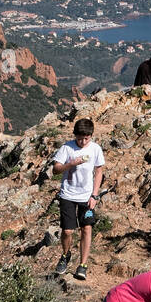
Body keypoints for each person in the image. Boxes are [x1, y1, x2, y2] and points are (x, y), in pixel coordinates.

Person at [50, 117, 105, 281]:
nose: (82, 141)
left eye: (86, 138)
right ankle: (65, 255)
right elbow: (55, 170)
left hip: (86, 196)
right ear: (75, 135)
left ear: (91, 136)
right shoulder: (67, 148)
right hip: (68, 194)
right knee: (67, 231)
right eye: (79, 138)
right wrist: (70, 164)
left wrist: (95, 194)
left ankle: (82, 265)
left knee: (86, 229)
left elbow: (99, 171)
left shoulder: (95, 149)